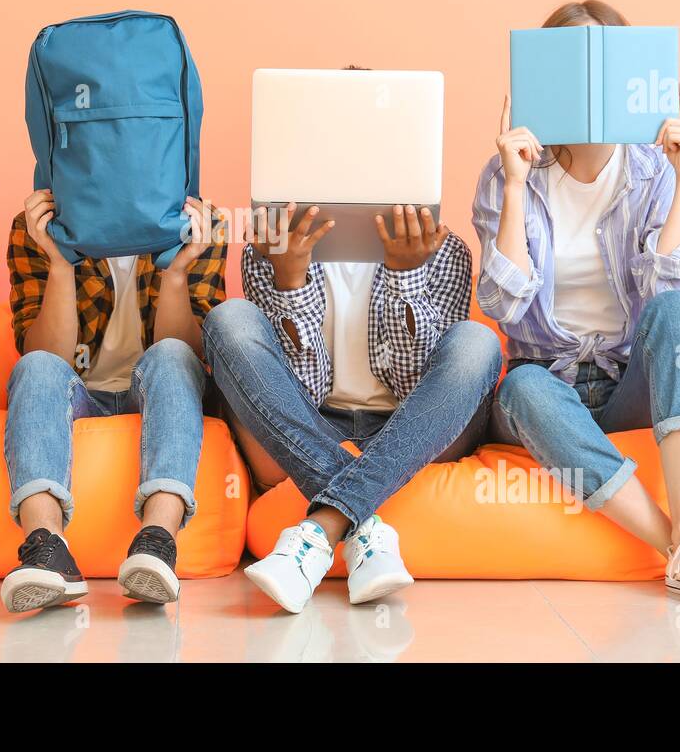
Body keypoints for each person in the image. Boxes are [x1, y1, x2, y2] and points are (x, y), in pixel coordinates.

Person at [474, 0, 680, 607]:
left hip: (627, 382)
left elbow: (669, 299)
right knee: (520, 388)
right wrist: (518, 184)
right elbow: (502, 304)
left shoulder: (654, 170)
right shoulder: (507, 175)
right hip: (546, 388)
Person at [204, 195, 502, 614]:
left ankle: (323, 528)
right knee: (229, 319)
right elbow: (303, 392)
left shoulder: (443, 249)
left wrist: (406, 277)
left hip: (413, 430)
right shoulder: (272, 246)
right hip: (310, 426)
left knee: (477, 343)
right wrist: (290, 278)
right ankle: (364, 530)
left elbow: (414, 388)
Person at [0, 194, 227, 611]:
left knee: (174, 355)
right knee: (36, 367)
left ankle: (157, 542)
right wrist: (60, 262)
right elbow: (49, 355)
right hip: (79, 392)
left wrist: (176, 272)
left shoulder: (196, 221)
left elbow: (195, 355)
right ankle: (46, 548)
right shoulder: (37, 223)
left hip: (156, 390)